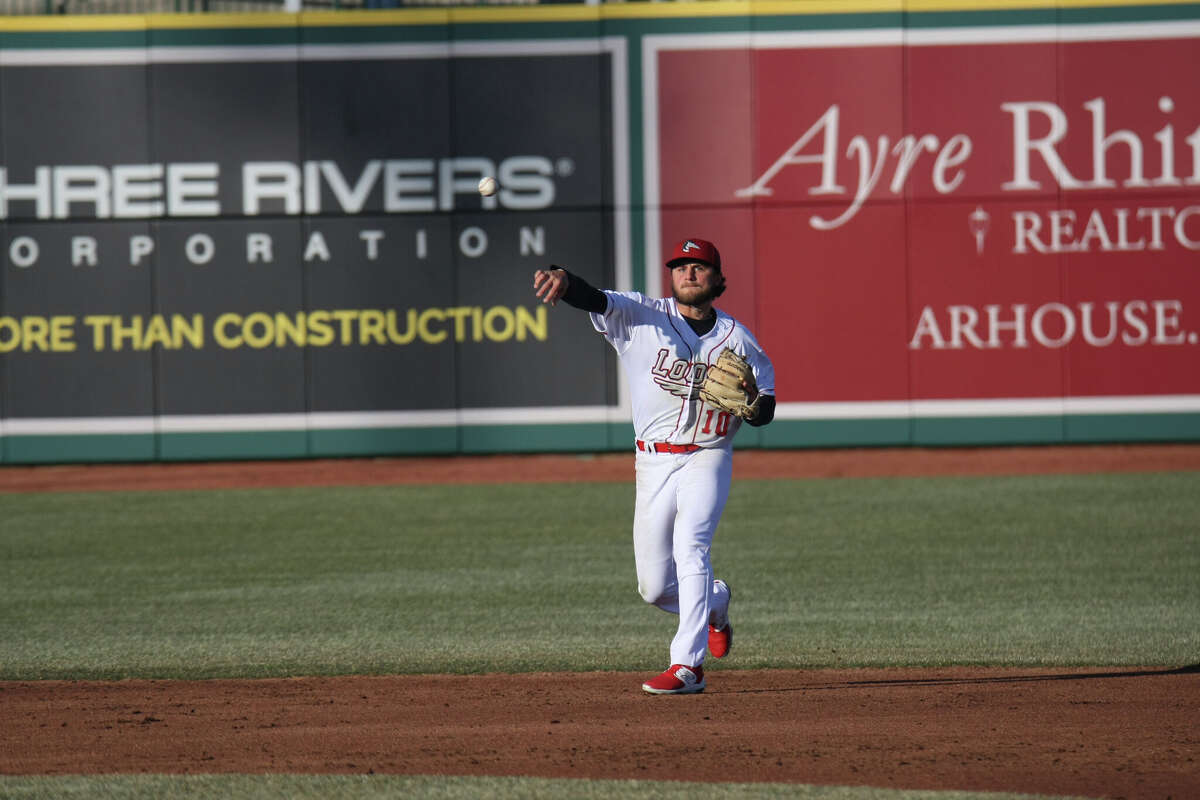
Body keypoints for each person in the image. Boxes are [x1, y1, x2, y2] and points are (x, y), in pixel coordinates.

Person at [533, 238, 776, 694]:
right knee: (653, 588)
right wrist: (564, 280)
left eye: (699, 267)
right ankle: (715, 602)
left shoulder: (738, 339)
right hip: (652, 461)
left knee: (692, 546)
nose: (688, 273)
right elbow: (595, 298)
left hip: (708, 454)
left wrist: (752, 406)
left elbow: (766, 406)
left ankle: (688, 667)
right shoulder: (640, 315)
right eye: (680, 266)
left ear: (718, 280)